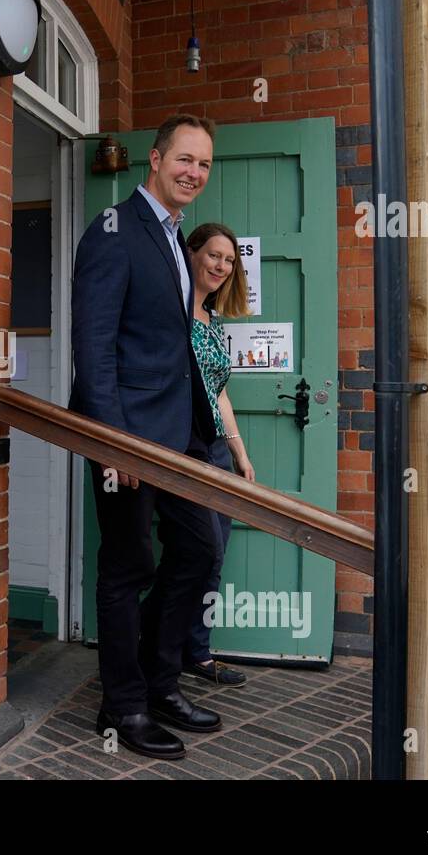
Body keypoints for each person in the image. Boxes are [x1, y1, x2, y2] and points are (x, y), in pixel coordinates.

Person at [69, 114, 224, 761]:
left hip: (177, 439)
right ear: (155, 160)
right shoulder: (114, 231)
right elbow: (94, 346)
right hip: (128, 439)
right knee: (127, 566)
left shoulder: (177, 241)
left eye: (204, 165)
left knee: (198, 551)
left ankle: (160, 684)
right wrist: (114, 442)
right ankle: (124, 703)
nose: (193, 172)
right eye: (184, 159)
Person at [182, 222, 255, 687]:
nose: (221, 266)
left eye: (229, 261)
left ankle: (198, 651)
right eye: (213, 255)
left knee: (216, 554)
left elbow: (220, 393)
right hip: (185, 447)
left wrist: (240, 454)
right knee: (197, 552)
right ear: (191, 254)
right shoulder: (172, 314)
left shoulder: (213, 321)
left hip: (216, 451)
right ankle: (165, 646)